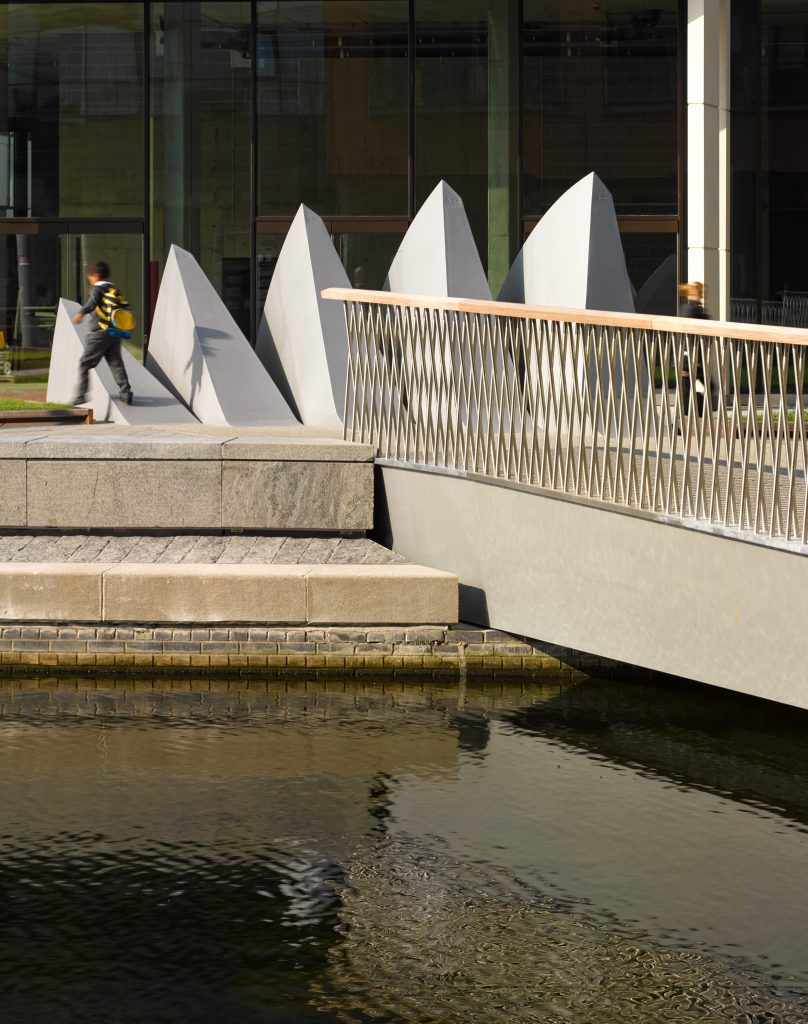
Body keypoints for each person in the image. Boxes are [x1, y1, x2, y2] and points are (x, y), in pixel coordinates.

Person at [72, 260, 133, 405]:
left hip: (100, 332)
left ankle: (81, 395)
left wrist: (81, 312)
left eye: (90, 276)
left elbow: (92, 303)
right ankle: (126, 392)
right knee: (115, 362)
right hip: (115, 332)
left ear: (96, 276)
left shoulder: (97, 289)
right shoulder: (114, 290)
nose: (89, 279)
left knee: (84, 363)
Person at [678, 281, 708, 417]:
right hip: (690, 357)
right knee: (691, 388)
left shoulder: (691, 309)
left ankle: (694, 413)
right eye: (698, 293)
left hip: (691, 357)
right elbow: (688, 336)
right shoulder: (690, 310)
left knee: (691, 387)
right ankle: (693, 414)